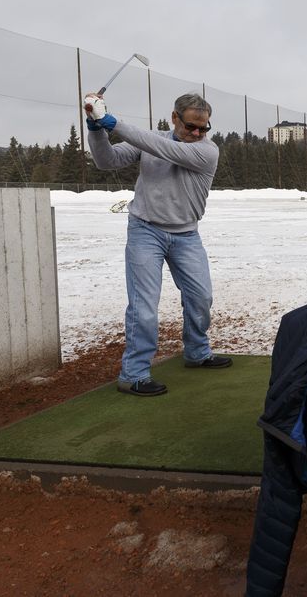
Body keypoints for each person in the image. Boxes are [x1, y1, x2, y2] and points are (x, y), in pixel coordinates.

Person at [84, 91, 232, 397]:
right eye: (191, 126)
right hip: (145, 230)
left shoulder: (207, 151)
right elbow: (106, 161)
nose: (197, 133)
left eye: (203, 128)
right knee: (144, 306)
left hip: (186, 234)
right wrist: (97, 129)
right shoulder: (151, 140)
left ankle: (197, 352)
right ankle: (134, 374)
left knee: (201, 298)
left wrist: (112, 122)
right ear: (174, 118)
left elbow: (162, 148)